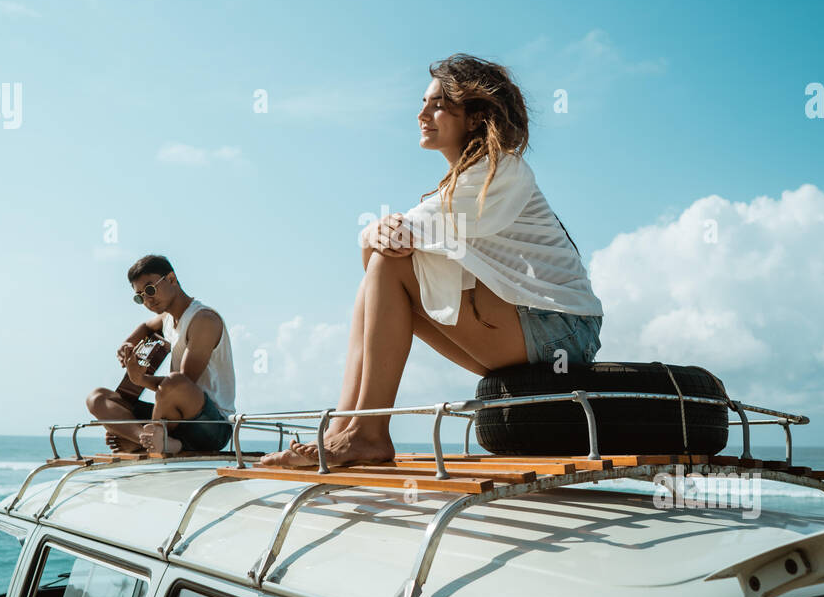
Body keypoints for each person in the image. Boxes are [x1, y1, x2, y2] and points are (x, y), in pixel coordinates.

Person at [262, 53, 603, 468]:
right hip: (533, 328)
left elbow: (395, 240)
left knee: (389, 266)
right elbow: (387, 245)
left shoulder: (501, 173)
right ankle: (343, 430)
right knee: (378, 273)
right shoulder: (464, 179)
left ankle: (367, 434)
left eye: (438, 104)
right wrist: (373, 235)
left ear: (476, 116)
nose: (422, 112)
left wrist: (371, 233)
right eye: (424, 102)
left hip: (564, 333)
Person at [86, 254, 236, 455]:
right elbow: (146, 326)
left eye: (150, 289)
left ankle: (147, 440)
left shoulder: (204, 320)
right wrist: (128, 344)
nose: (147, 299)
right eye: (140, 296)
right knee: (97, 398)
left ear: (171, 279)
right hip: (172, 419)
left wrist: (140, 379)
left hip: (210, 425)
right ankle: (145, 439)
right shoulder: (167, 318)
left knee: (174, 383)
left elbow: (182, 384)